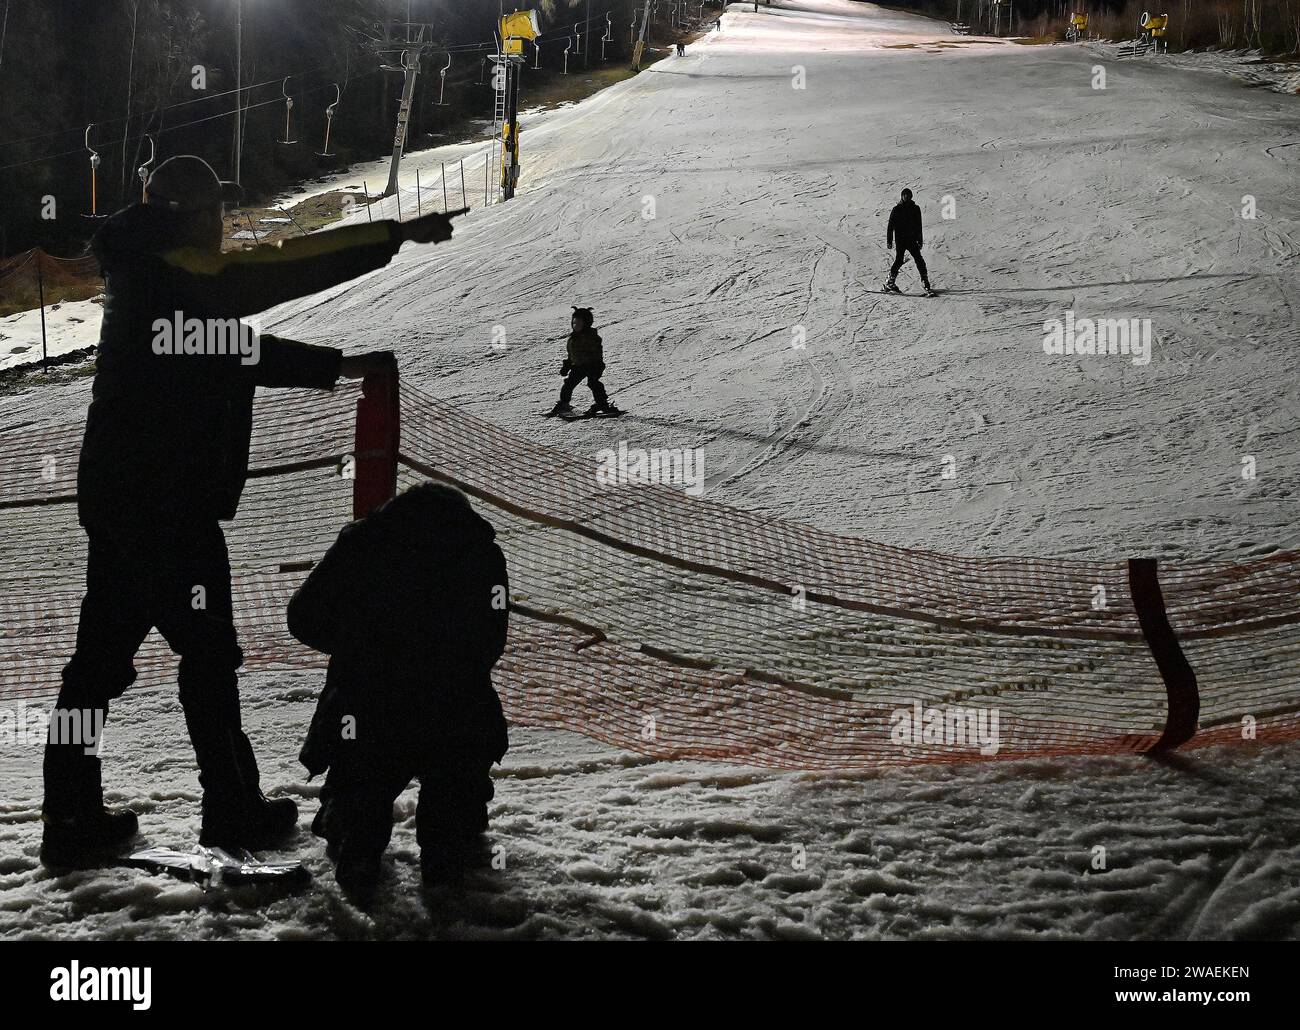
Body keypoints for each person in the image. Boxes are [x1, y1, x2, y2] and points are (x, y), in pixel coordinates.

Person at [41, 154, 463, 868]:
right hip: (164, 504)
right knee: (206, 655)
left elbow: (228, 351)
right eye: (216, 213)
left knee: (98, 667)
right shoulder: (175, 265)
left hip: (120, 497)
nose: (224, 228)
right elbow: (275, 267)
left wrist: (333, 366)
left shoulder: (146, 270)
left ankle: (71, 816)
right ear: (193, 213)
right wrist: (392, 233)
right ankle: (228, 806)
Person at [287, 482, 510, 900]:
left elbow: (302, 616)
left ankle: (358, 851)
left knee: (360, 787)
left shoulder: (361, 543)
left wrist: (357, 649)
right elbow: (490, 638)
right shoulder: (480, 552)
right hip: (455, 705)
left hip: (367, 704)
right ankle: (445, 859)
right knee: (455, 794)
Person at [548, 306, 618, 416]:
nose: (576, 326)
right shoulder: (573, 339)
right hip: (579, 367)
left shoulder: (592, 337)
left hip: (593, 366)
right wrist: (567, 365)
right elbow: (572, 355)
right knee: (568, 384)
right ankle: (564, 404)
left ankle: (603, 405)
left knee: (594, 383)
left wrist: (595, 367)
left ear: (587, 323)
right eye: (574, 323)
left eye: (579, 324)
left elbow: (596, 354)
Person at [885, 187, 931, 294]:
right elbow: (890, 226)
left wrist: (920, 240)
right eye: (905, 195)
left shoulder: (915, 209)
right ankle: (890, 282)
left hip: (911, 239)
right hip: (900, 240)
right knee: (899, 260)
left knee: (919, 259)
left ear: (911, 197)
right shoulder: (896, 209)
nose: (907, 197)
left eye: (909, 195)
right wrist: (889, 240)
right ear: (902, 196)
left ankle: (925, 281)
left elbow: (918, 225)